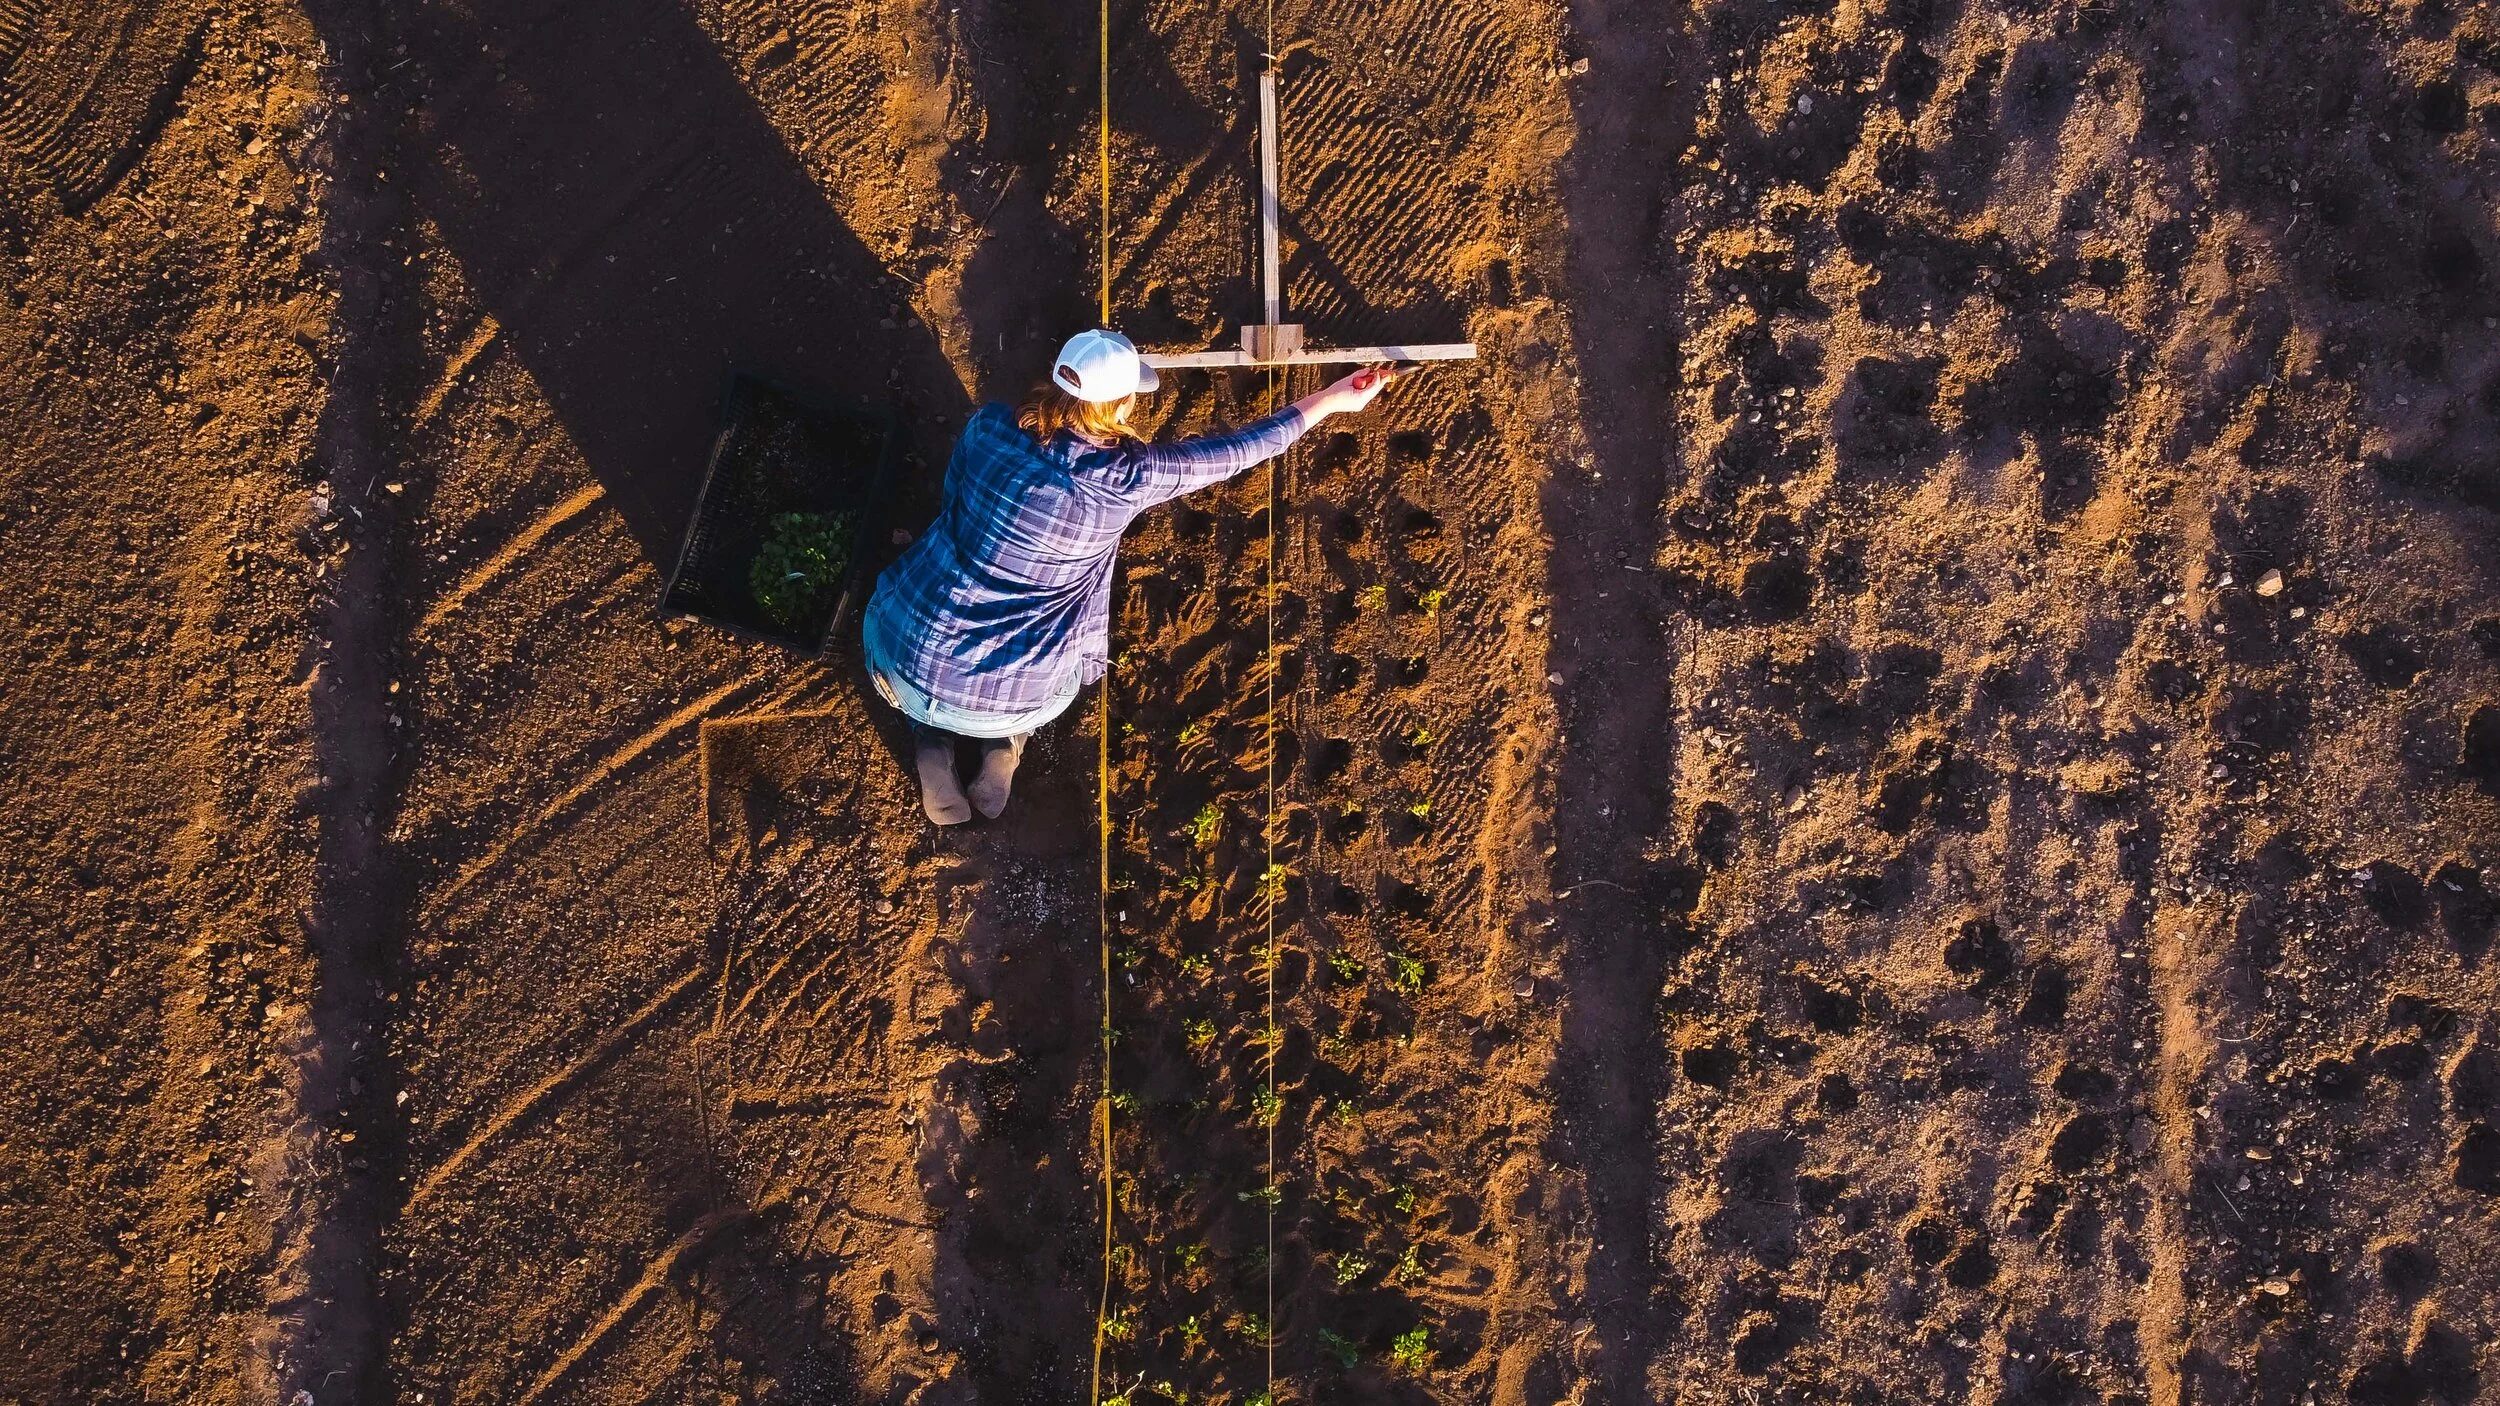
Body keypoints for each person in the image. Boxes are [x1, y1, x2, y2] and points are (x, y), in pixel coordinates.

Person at [862, 328, 1396, 823]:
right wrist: (1333, 398)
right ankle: (1005, 742)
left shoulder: (990, 426)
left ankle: (929, 740)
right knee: (1047, 678)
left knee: (920, 602)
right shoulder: (1130, 477)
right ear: (1120, 405)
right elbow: (1243, 449)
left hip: (900, 666)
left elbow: (951, 498)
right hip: (1016, 699)